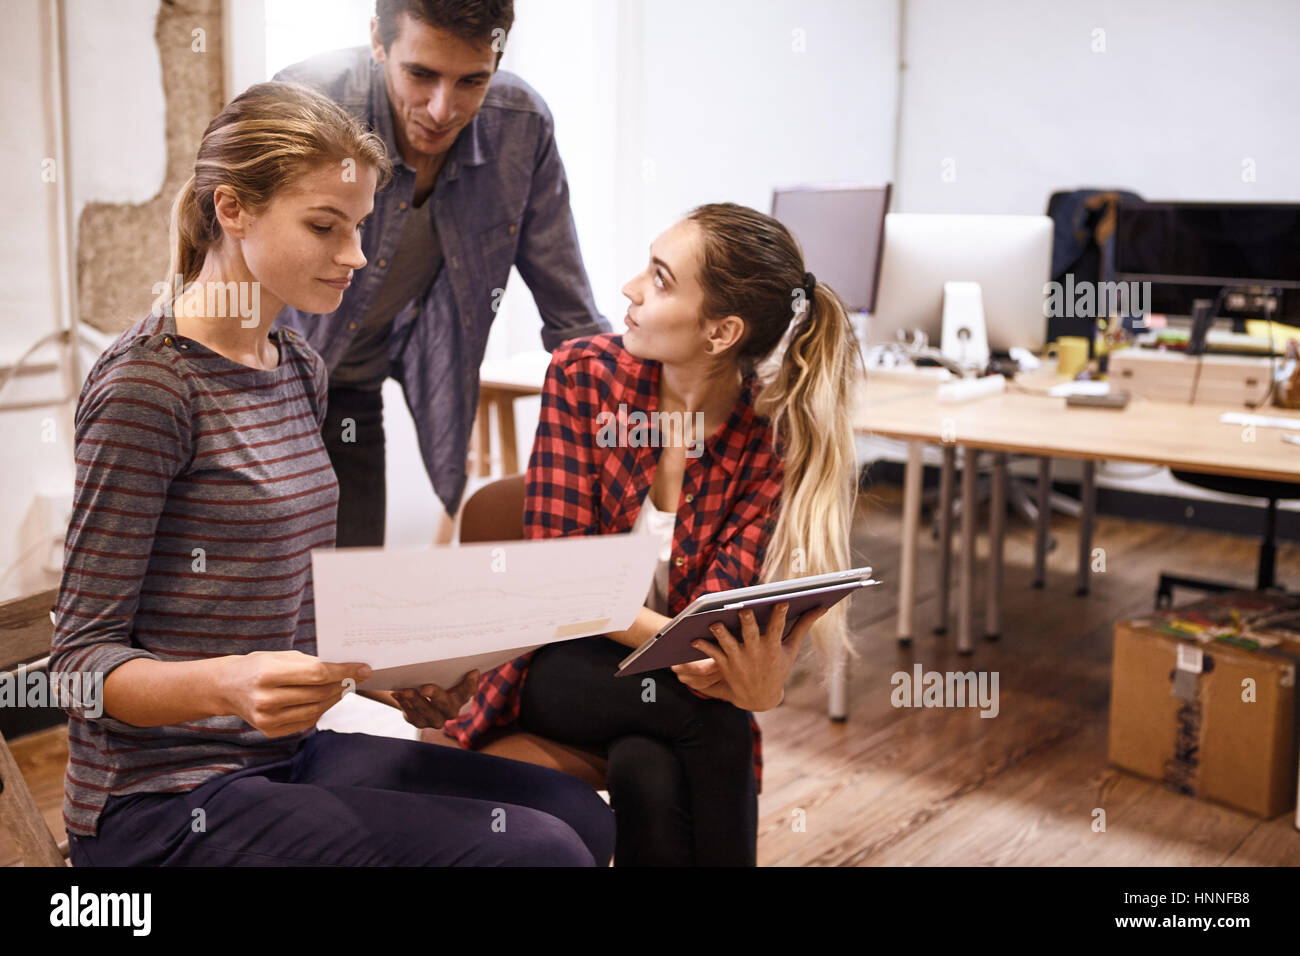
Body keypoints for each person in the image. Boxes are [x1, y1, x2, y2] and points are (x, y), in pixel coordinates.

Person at [50, 81, 614, 867]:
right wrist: (228, 686)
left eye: (359, 227)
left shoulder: (298, 367)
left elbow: (290, 618)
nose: (356, 257)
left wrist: (396, 681)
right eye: (325, 227)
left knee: (575, 812)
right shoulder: (150, 387)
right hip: (162, 801)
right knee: (537, 852)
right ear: (232, 210)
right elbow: (76, 667)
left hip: (281, 758)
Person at [423, 203, 866, 866]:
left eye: (659, 280)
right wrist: (709, 663)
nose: (629, 287)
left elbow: (719, 612)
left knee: (647, 768)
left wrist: (735, 668)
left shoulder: (765, 441)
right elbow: (561, 584)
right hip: (550, 661)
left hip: (659, 691)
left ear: (720, 332)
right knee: (713, 720)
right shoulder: (583, 376)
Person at [271, 0, 609, 546]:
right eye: (420, 74)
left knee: (351, 596)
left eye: (472, 80)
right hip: (260, 389)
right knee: (257, 602)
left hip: (354, 390)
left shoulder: (520, 128)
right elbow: (220, 253)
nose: (440, 108)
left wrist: (632, 418)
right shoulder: (308, 100)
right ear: (379, 40)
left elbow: (570, 310)